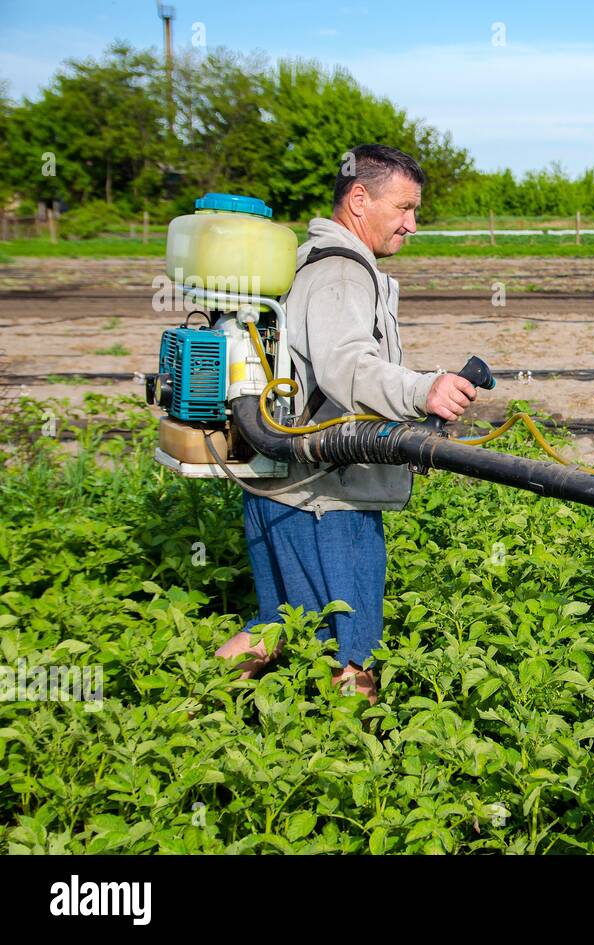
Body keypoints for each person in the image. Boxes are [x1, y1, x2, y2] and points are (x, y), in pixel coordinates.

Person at [214, 144, 480, 704]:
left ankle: (181, 710)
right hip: (325, 499)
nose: (412, 224)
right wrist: (421, 388)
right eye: (404, 208)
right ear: (359, 198)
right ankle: (360, 769)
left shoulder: (311, 257)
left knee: (274, 628)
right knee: (352, 654)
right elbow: (346, 367)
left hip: (279, 484)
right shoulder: (340, 270)